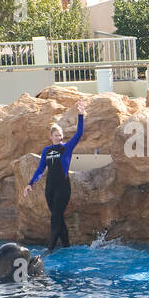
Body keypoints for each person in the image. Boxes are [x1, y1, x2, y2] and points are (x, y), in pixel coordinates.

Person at [24, 101, 86, 252]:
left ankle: (50, 249)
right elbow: (40, 169)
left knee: (55, 216)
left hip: (63, 187)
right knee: (57, 216)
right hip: (50, 188)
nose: (59, 137)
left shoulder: (66, 148)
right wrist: (30, 183)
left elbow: (79, 134)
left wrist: (81, 115)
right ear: (51, 136)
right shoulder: (46, 150)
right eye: (56, 135)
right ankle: (66, 246)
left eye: (60, 135)